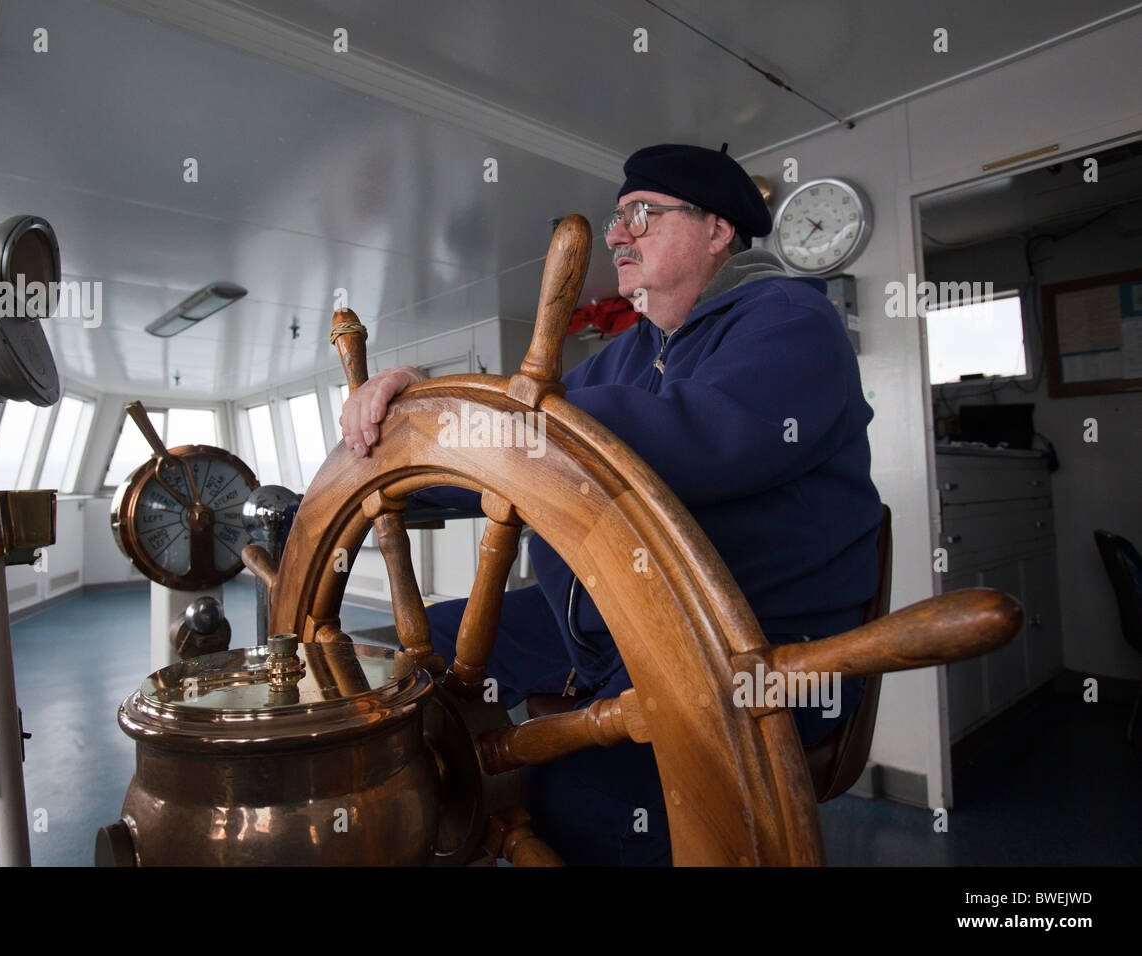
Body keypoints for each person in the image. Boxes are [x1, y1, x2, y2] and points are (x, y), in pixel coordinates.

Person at [338, 143, 882, 865]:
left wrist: (485, 417)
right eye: (618, 217)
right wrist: (409, 431)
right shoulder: (629, 352)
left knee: (576, 801)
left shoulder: (791, 321)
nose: (618, 235)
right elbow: (519, 446)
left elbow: (675, 442)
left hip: (740, 646)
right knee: (396, 663)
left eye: (642, 215)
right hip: (605, 624)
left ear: (717, 230)